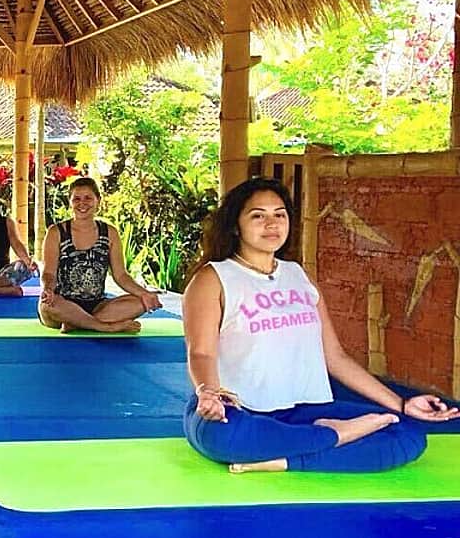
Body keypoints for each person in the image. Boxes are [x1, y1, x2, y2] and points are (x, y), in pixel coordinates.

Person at [182, 177, 457, 474]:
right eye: (258, 216)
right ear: (236, 225)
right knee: (225, 437)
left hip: (308, 411)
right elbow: (201, 353)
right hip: (241, 411)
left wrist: (402, 405)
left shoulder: (298, 275)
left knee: (406, 435)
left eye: (280, 215)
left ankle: (285, 459)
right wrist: (208, 393)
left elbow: (335, 357)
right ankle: (339, 435)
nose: (272, 224)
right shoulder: (213, 278)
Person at [38, 177, 162, 333]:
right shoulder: (56, 232)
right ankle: (104, 326)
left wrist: (145, 294)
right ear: (70, 202)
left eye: (88, 198)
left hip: (98, 306)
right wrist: (48, 289)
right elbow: (49, 272)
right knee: (49, 305)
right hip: (63, 304)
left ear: (98, 201)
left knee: (140, 302)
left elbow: (121, 275)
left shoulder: (110, 232)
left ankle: (78, 323)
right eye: (76, 199)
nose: (82, 203)